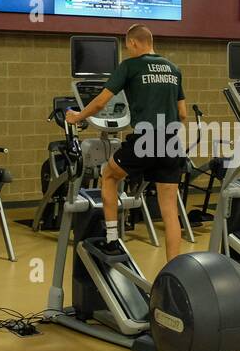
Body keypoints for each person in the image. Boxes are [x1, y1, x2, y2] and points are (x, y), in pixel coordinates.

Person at [66, 23, 188, 264]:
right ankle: (174, 268)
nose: (128, 50)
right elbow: (182, 113)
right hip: (171, 139)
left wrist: (77, 117)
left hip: (145, 137)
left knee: (108, 176)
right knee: (170, 210)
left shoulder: (130, 66)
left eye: (127, 46)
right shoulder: (173, 69)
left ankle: (112, 239)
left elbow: (101, 102)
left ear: (133, 42)